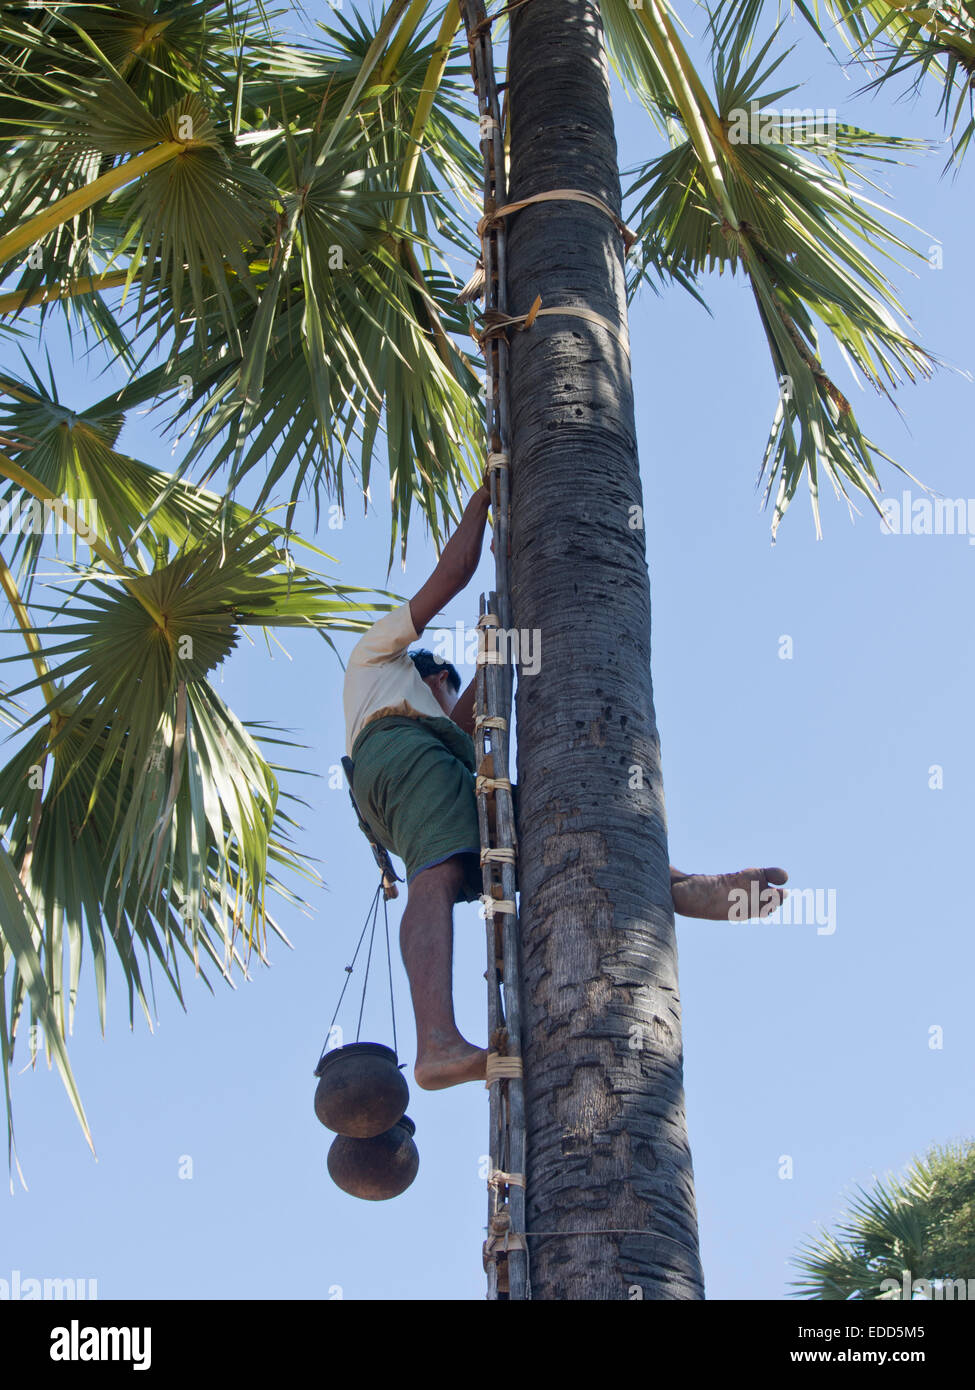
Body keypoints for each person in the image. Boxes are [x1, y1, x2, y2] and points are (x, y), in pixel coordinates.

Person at [343, 482, 788, 1091]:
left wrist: (503, 645)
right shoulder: (377, 663)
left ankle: (692, 888)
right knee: (439, 874)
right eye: (452, 689)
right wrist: (482, 505)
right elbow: (448, 580)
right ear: (436, 675)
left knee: (562, 826)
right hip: (397, 761)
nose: (459, 705)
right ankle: (436, 1043)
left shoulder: (432, 729)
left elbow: (468, 714)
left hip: (422, 779)